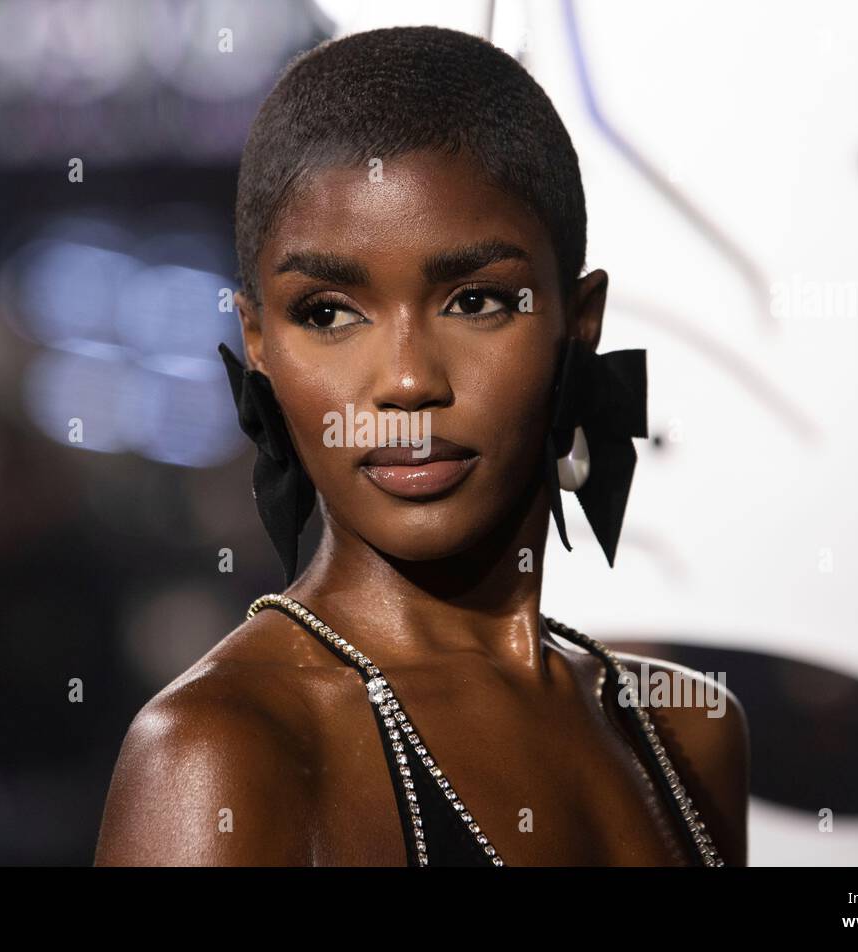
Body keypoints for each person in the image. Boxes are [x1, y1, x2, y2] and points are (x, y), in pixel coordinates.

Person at [95, 25, 748, 866]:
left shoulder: (688, 729)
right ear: (257, 341)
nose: (406, 382)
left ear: (579, 324)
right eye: (328, 311)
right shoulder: (222, 752)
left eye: (476, 301)